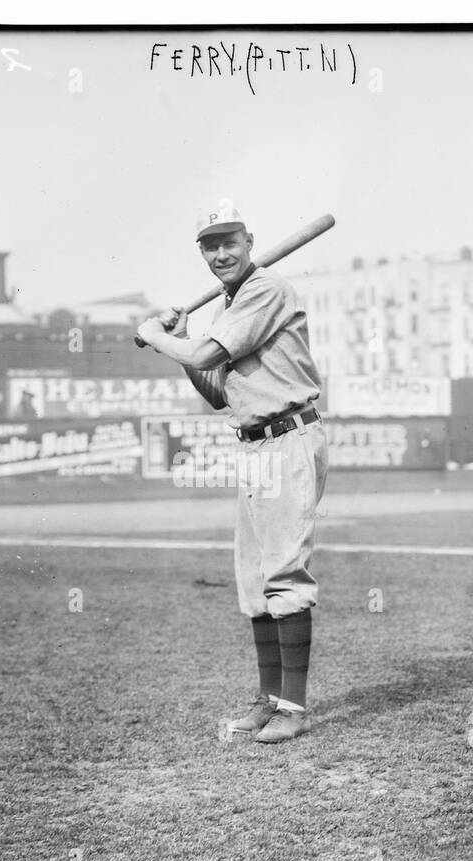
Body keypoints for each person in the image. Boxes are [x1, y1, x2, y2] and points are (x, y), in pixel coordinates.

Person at [135, 203, 326, 743]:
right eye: (210, 245)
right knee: (253, 580)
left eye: (231, 242)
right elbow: (217, 388)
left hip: (289, 437)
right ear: (202, 252)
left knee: (284, 573)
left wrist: (157, 336)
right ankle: (268, 700)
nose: (222, 253)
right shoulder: (232, 302)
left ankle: (293, 707)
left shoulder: (265, 289)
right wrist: (183, 346)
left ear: (249, 241)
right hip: (256, 444)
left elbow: (202, 353)